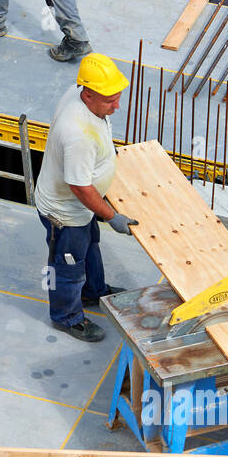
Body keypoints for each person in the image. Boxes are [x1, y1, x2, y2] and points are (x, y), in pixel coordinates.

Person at [34, 53, 139, 342]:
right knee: (67, 266)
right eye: (110, 101)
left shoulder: (78, 93)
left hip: (81, 209)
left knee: (90, 245)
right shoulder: (78, 134)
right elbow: (80, 187)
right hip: (65, 214)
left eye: (118, 97)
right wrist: (111, 215)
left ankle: (94, 292)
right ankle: (66, 317)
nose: (117, 105)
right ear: (89, 94)